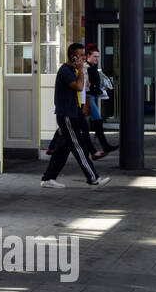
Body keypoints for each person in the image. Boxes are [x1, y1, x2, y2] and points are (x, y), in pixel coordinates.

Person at [41, 42, 109, 188]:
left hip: (71, 113)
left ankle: (48, 179)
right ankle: (93, 178)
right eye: (81, 55)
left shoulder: (72, 70)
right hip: (66, 115)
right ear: (73, 57)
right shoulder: (66, 71)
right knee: (79, 146)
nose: (84, 58)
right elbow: (79, 87)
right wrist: (81, 71)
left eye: (84, 55)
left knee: (62, 149)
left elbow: (81, 87)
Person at [85, 43, 116, 158]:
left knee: (95, 122)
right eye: (95, 56)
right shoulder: (86, 68)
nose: (97, 59)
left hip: (90, 97)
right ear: (88, 55)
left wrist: (100, 89)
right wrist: (96, 89)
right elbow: (87, 85)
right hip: (87, 98)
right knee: (97, 121)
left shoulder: (92, 68)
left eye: (98, 56)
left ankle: (102, 147)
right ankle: (103, 147)